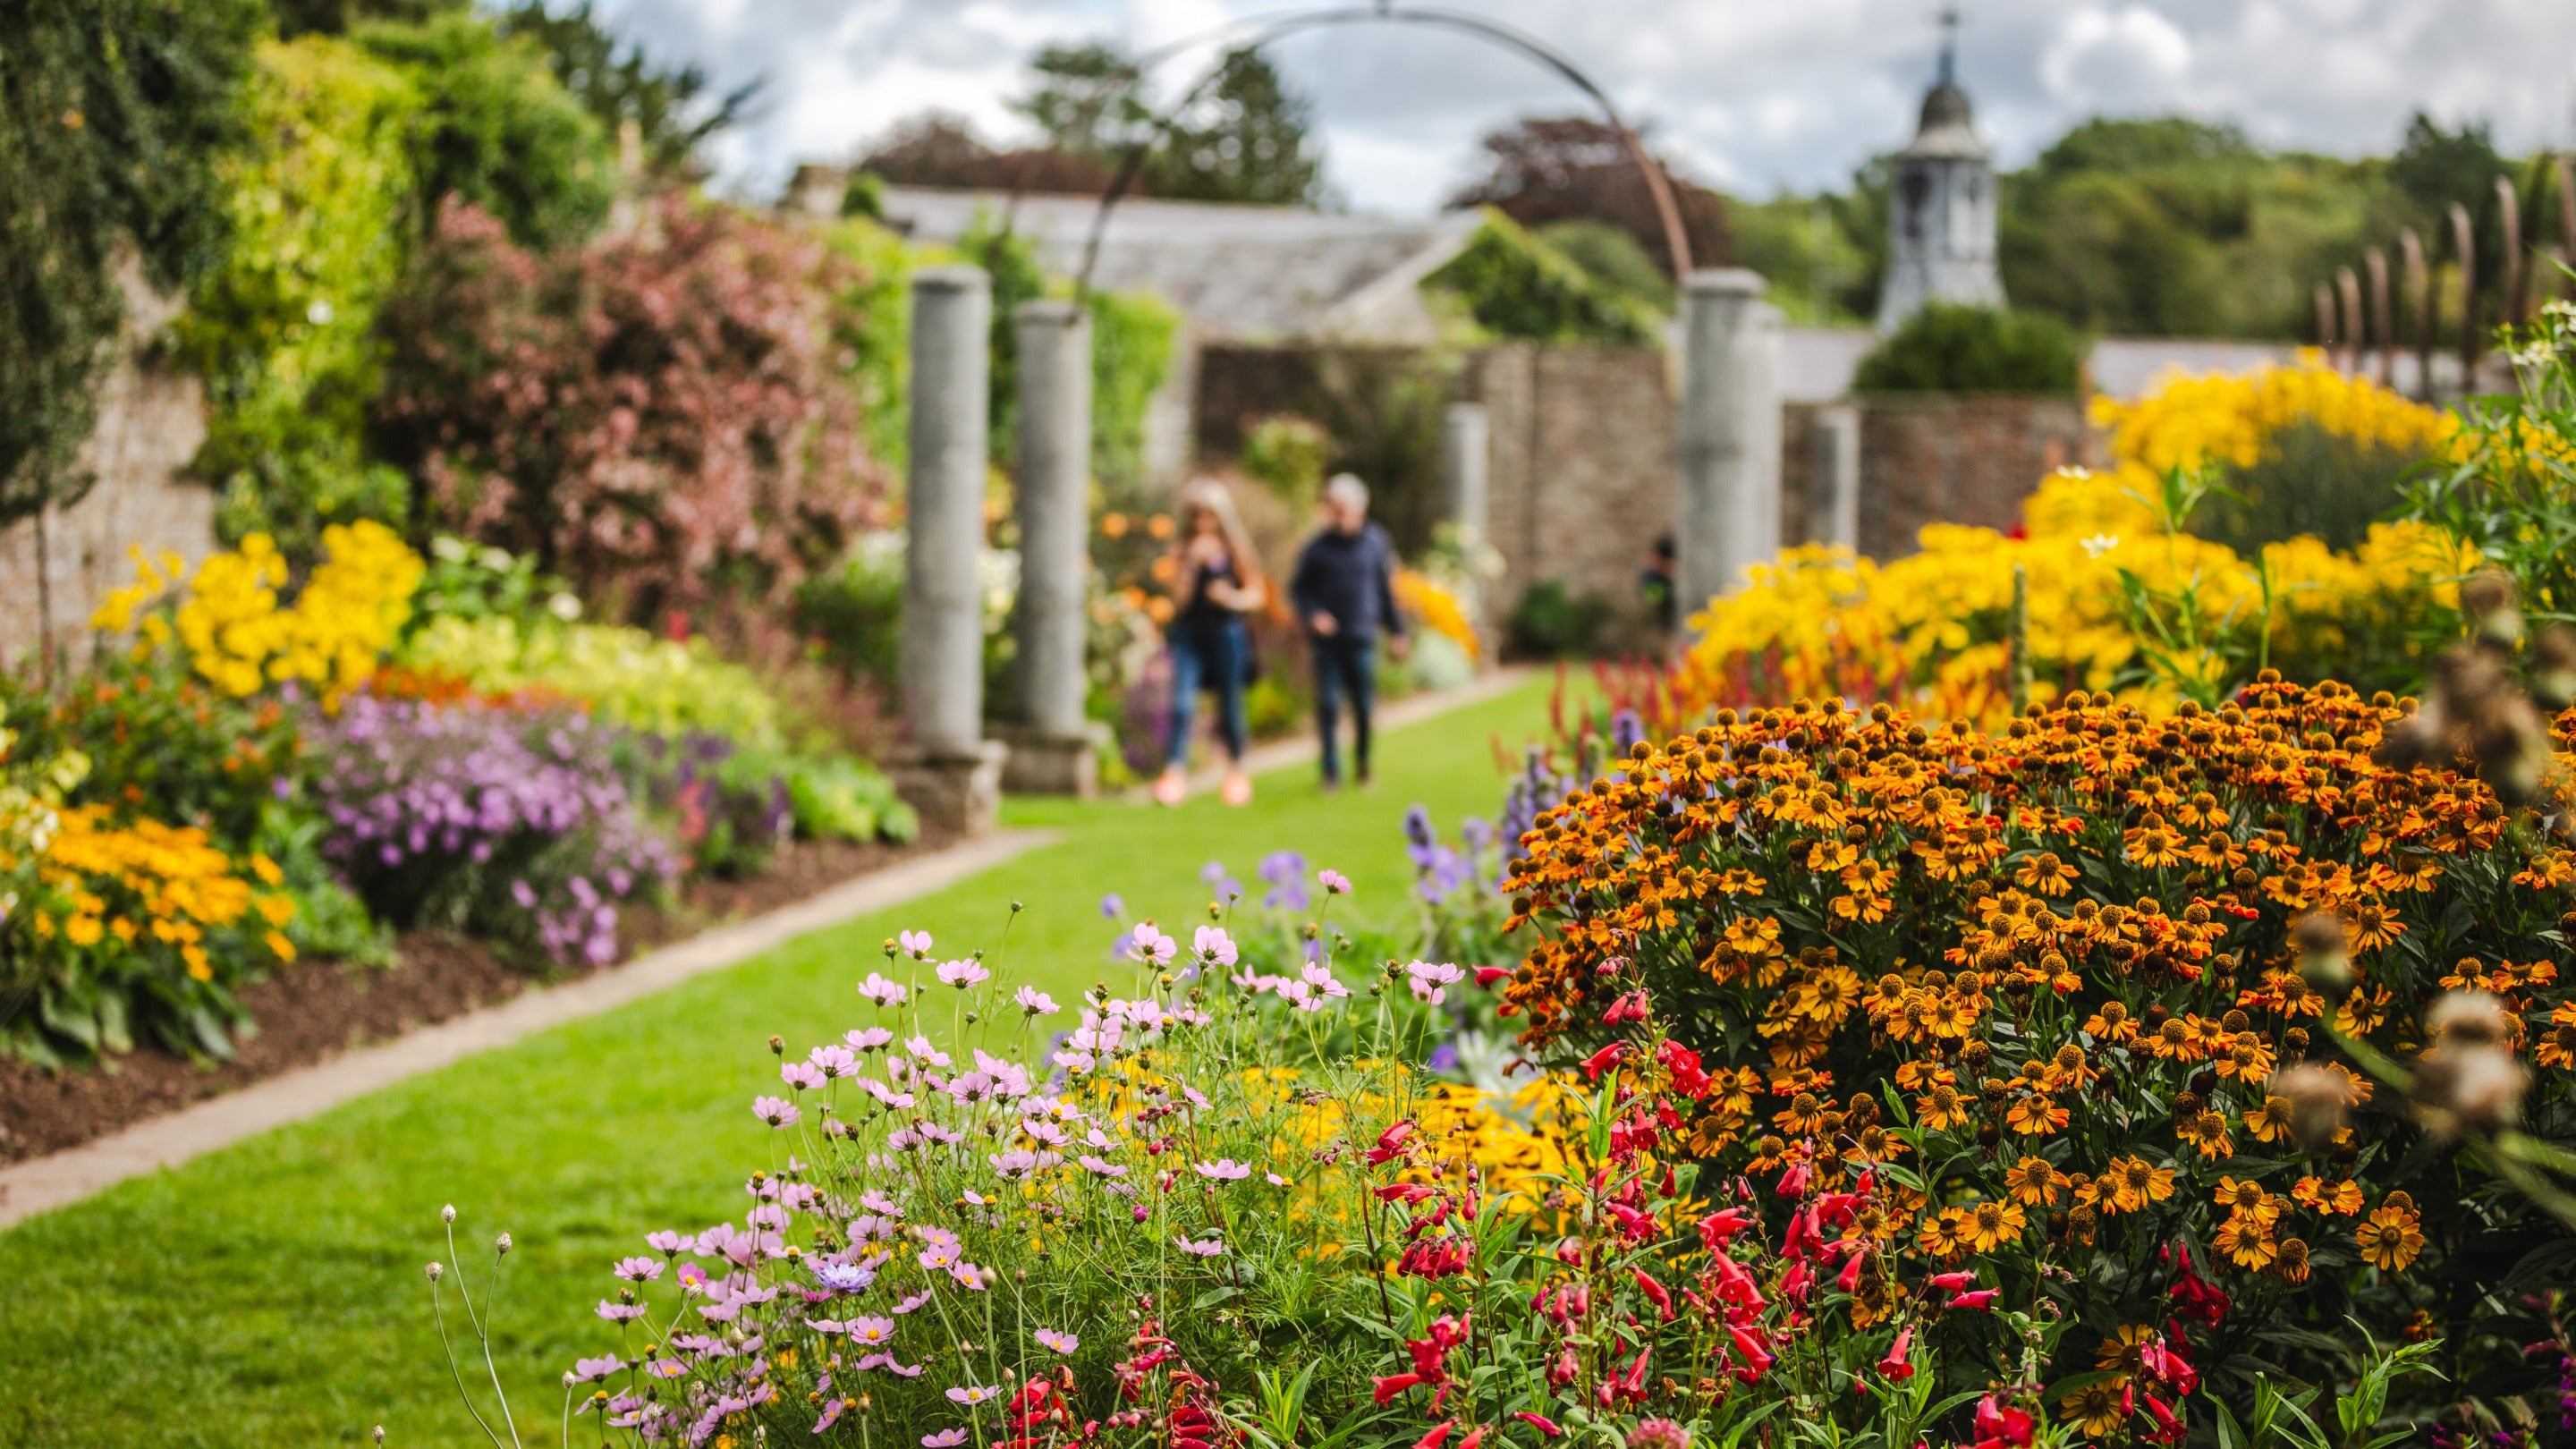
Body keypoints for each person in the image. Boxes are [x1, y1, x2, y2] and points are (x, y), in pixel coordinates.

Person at [1291, 473, 1408, 791]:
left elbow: (1386, 590)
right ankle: (1330, 774)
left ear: (1360, 510)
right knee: (1328, 705)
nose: (1339, 515)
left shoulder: (1375, 543)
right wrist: (1314, 614)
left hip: (1361, 637)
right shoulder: (1317, 548)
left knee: (1363, 707)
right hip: (1328, 642)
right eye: (1335, 508)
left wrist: (1398, 632)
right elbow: (1299, 590)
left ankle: (1364, 768)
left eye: (1345, 509)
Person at [1155, 479, 1267, 808]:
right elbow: (1176, 602)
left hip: (1227, 634)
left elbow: (1257, 594)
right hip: (1191, 635)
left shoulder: (1234, 550)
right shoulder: (1182, 550)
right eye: (1195, 515)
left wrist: (1230, 598)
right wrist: (1190, 566)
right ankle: (1174, 773)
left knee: (1230, 705)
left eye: (1208, 514)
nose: (1201, 521)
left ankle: (1236, 772)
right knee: (1182, 704)